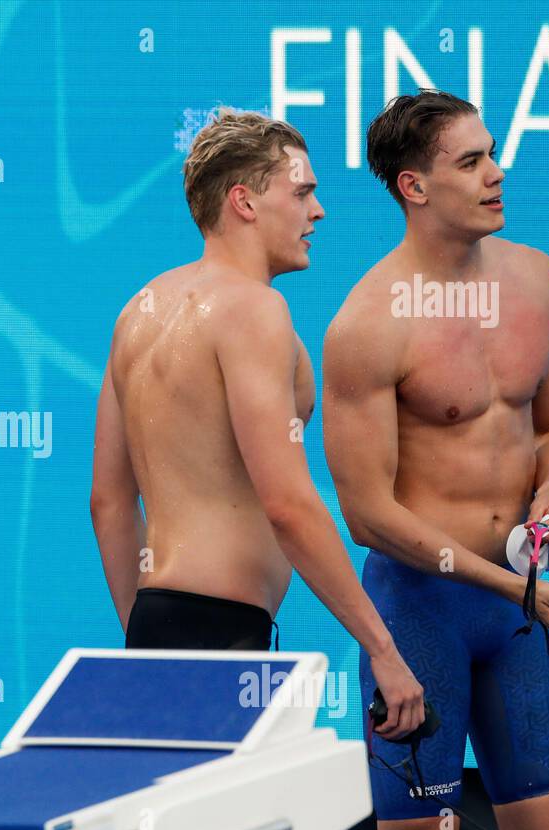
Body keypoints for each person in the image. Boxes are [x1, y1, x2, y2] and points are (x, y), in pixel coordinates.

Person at [323, 89, 549, 830]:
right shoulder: (368, 323)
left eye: (493, 152)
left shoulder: (535, 279)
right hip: (422, 613)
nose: (498, 171)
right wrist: (500, 578)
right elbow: (367, 516)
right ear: (414, 187)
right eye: (472, 161)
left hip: (518, 613)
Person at [90, 107, 424, 740]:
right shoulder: (255, 311)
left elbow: (108, 501)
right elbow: (289, 506)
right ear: (244, 201)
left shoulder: (138, 310)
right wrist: (382, 647)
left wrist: (145, 634)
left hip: (160, 623)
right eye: (301, 193)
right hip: (223, 637)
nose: (317, 211)